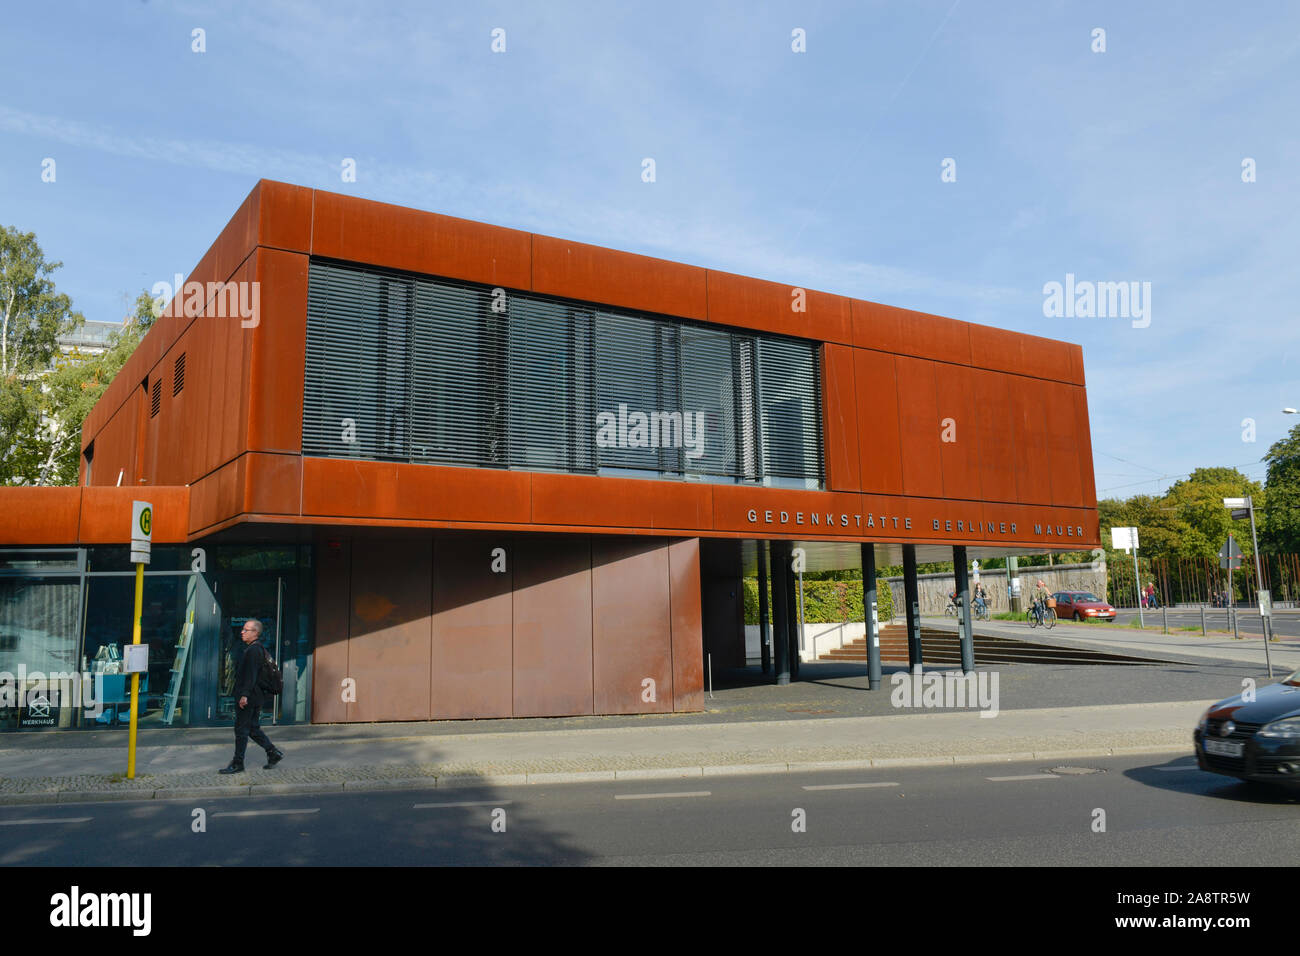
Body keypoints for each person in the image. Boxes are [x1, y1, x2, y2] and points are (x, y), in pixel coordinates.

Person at [219, 619, 284, 774]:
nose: (242, 632)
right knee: (253, 728)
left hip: (249, 697)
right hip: (255, 696)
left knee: (241, 730)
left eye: (246, 630)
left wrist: (244, 695)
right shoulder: (256, 649)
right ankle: (273, 752)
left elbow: (251, 675)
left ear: (255, 633)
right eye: (243, 629)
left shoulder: (253, 650)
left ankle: (237, 763)